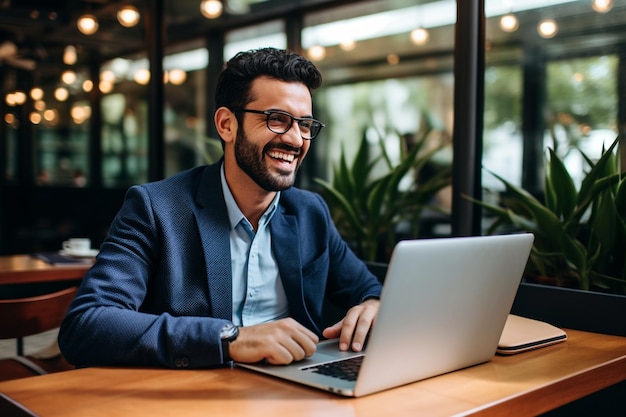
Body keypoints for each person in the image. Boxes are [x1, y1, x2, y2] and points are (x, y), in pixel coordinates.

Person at [58, 47, 382, 369]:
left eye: (305, 124)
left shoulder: (310, 212)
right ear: (227, 124)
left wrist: (373, 305)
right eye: (278, 120)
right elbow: (86, 325)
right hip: (197, 394)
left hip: (295, 391)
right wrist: (229, 339)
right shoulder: (155, 208)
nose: (296, 140)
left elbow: (368, 289)